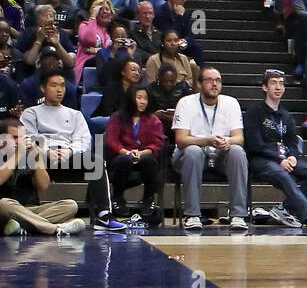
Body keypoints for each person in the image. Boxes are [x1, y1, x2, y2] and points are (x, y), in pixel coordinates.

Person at [20, 68, 121, 230]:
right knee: (25, 159)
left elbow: (84, 139)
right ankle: (27, 211)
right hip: (42, 158)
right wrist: (46, 151)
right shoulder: (30, 113)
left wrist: (69, 151)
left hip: (69, 156)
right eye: (54, 85)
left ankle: (104, 214)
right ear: (43, 88)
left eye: (62, 85)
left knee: (95, 161)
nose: (59, 90)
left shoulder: (75, 114)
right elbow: (29, 137)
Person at [246, 70, 307, 230]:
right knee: (283, 174)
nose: (278, 87)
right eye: (273, 83)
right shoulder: (254, 112)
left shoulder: (286, 115)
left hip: (284, 158)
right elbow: (254, 144)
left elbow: (292, 141)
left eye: (281, 83)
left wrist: (292, 155)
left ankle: (285, 209)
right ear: (264, 87)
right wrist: (280, 160)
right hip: (261, 160)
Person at [171, 67, 249, 232]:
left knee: (237, 151)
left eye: (218, 80)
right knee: (193, 151)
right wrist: (206, 140)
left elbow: (239, 138)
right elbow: (181, 140)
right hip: (188, 156)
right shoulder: (186, 103)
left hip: (219, 155)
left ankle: (238, 215)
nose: (215, 84)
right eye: (210, 80)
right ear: (199, 84)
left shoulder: (231, 102)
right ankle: (192, 215)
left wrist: (228, 141)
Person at [0, 117, 86, 235]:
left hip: (27, 210)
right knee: (3, 204)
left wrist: (37, 157)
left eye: (22, 138)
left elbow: (43, 185)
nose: (20, 142)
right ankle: (55, 229)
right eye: (15, 138)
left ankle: (21, 227)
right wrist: (16, 155)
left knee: (70, 205)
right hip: (4, 210)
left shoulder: (27, 157)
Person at [104, 84, 165, 224]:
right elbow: (112, 141)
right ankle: (118, 197)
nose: (143, 101)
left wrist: (142, 153)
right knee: (124, 161)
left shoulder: (153, 120)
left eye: (145, 98)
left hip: (144, 155)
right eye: (139, 98)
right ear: (131, 98)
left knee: (149, 160)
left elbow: (157, 143)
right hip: (121, 155)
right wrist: (127, 152)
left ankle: (148, 198)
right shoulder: (117, 117)